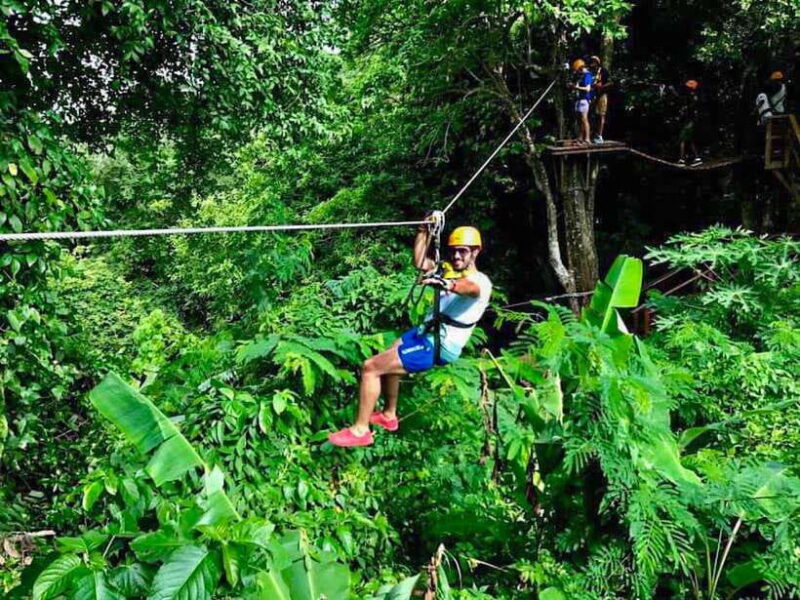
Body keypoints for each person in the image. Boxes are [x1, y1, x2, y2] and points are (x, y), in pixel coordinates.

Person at [328, 215, 492, 447]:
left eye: (463, 251)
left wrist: (446, 284)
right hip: (425, 333)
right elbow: (420, 263)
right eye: (454, 250)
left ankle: (360, 430)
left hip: (438, 345)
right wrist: (423, 231)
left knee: (371, 367)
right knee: (393, 348)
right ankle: (389, 414)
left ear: (475, 252)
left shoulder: (480, 282)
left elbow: (468, 288)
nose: (456, 256)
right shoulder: (448, 270)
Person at [678, 79, 702, 166]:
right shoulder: (693, 96)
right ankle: (697, 158)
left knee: (682, 140)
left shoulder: (691, 97)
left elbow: (689, 110)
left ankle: (682, 160)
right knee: (690, 140)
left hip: (689, 122)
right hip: (691, 122)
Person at [589, 55, 613, 143]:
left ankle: (599, 136)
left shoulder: (603, 71)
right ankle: (592, 134)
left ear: (597, 62)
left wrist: (601, 87)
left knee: (601, 115)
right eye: (591, 61)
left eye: (594, 61)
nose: (592, 63)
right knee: (592, 115)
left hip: (602, 95)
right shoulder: (591, 72)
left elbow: (610, 83)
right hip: (592, 96)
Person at [570, 59, 594, 145]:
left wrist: (576, 88)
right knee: (580, 119)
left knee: (584, 119)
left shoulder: (587, 75)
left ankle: (587, 139)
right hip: (579, 98)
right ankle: (580, 137)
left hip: (585, 99)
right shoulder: (581, 76)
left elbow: (587, 88)